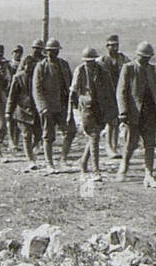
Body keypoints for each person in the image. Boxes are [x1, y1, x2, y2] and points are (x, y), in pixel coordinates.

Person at [116, 42, 156, 188]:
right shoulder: (128, 68)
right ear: (137, 55)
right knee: (131, 143)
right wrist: (123, 111)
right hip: (133, 113)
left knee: (150, 144)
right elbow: (121, 91)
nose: (146, 60)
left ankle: (149, 175)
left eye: (148, 57)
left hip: (149, 112)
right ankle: (123, 167)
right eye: (144, 57)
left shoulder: (151, 69)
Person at [68, 46, 117, 180]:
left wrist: (112, 109)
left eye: (91, 61)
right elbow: (73, 92)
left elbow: (110, 90)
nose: (89, 63)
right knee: (94, 135)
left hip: (100, 107)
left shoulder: (102, 70)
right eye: (87, 61)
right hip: (86, 108)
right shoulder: (80, 70)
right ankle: (96, 170)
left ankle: (83, 162)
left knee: (94, 137)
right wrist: (73, 112)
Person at [31, 39, 78, 172]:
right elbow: (37, 89)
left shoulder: (63, 64)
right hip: (48, 107)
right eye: (50, 51)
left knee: (71, 131)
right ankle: (49, 163)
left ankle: (63, 159)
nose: (53, 53)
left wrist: (73, 101)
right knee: (48, 136)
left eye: (55, 51)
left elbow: (71, 83)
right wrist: (42, 107)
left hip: (63, 105)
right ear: (46, 52)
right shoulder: (41, 66)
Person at [8, 40, 44, 170]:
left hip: (36, 109)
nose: (29, 68)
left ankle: (33, 151)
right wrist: (8, 111)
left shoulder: (39, 76)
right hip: (22, 109)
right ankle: (30, 159)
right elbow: (12, 96)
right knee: (26, 134)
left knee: (39, 133)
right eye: (27, 66)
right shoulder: (18, 77)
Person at [100, 34, 130, 158]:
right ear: (107, 46)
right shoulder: (102, 61)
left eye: (116, 45)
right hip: (107, 94)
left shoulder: (123, 59)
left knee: (117, 121)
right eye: (111, 45)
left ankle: (114, 146)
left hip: (120, 93)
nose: (114, 48)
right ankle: (109, 147)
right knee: (110, 121)